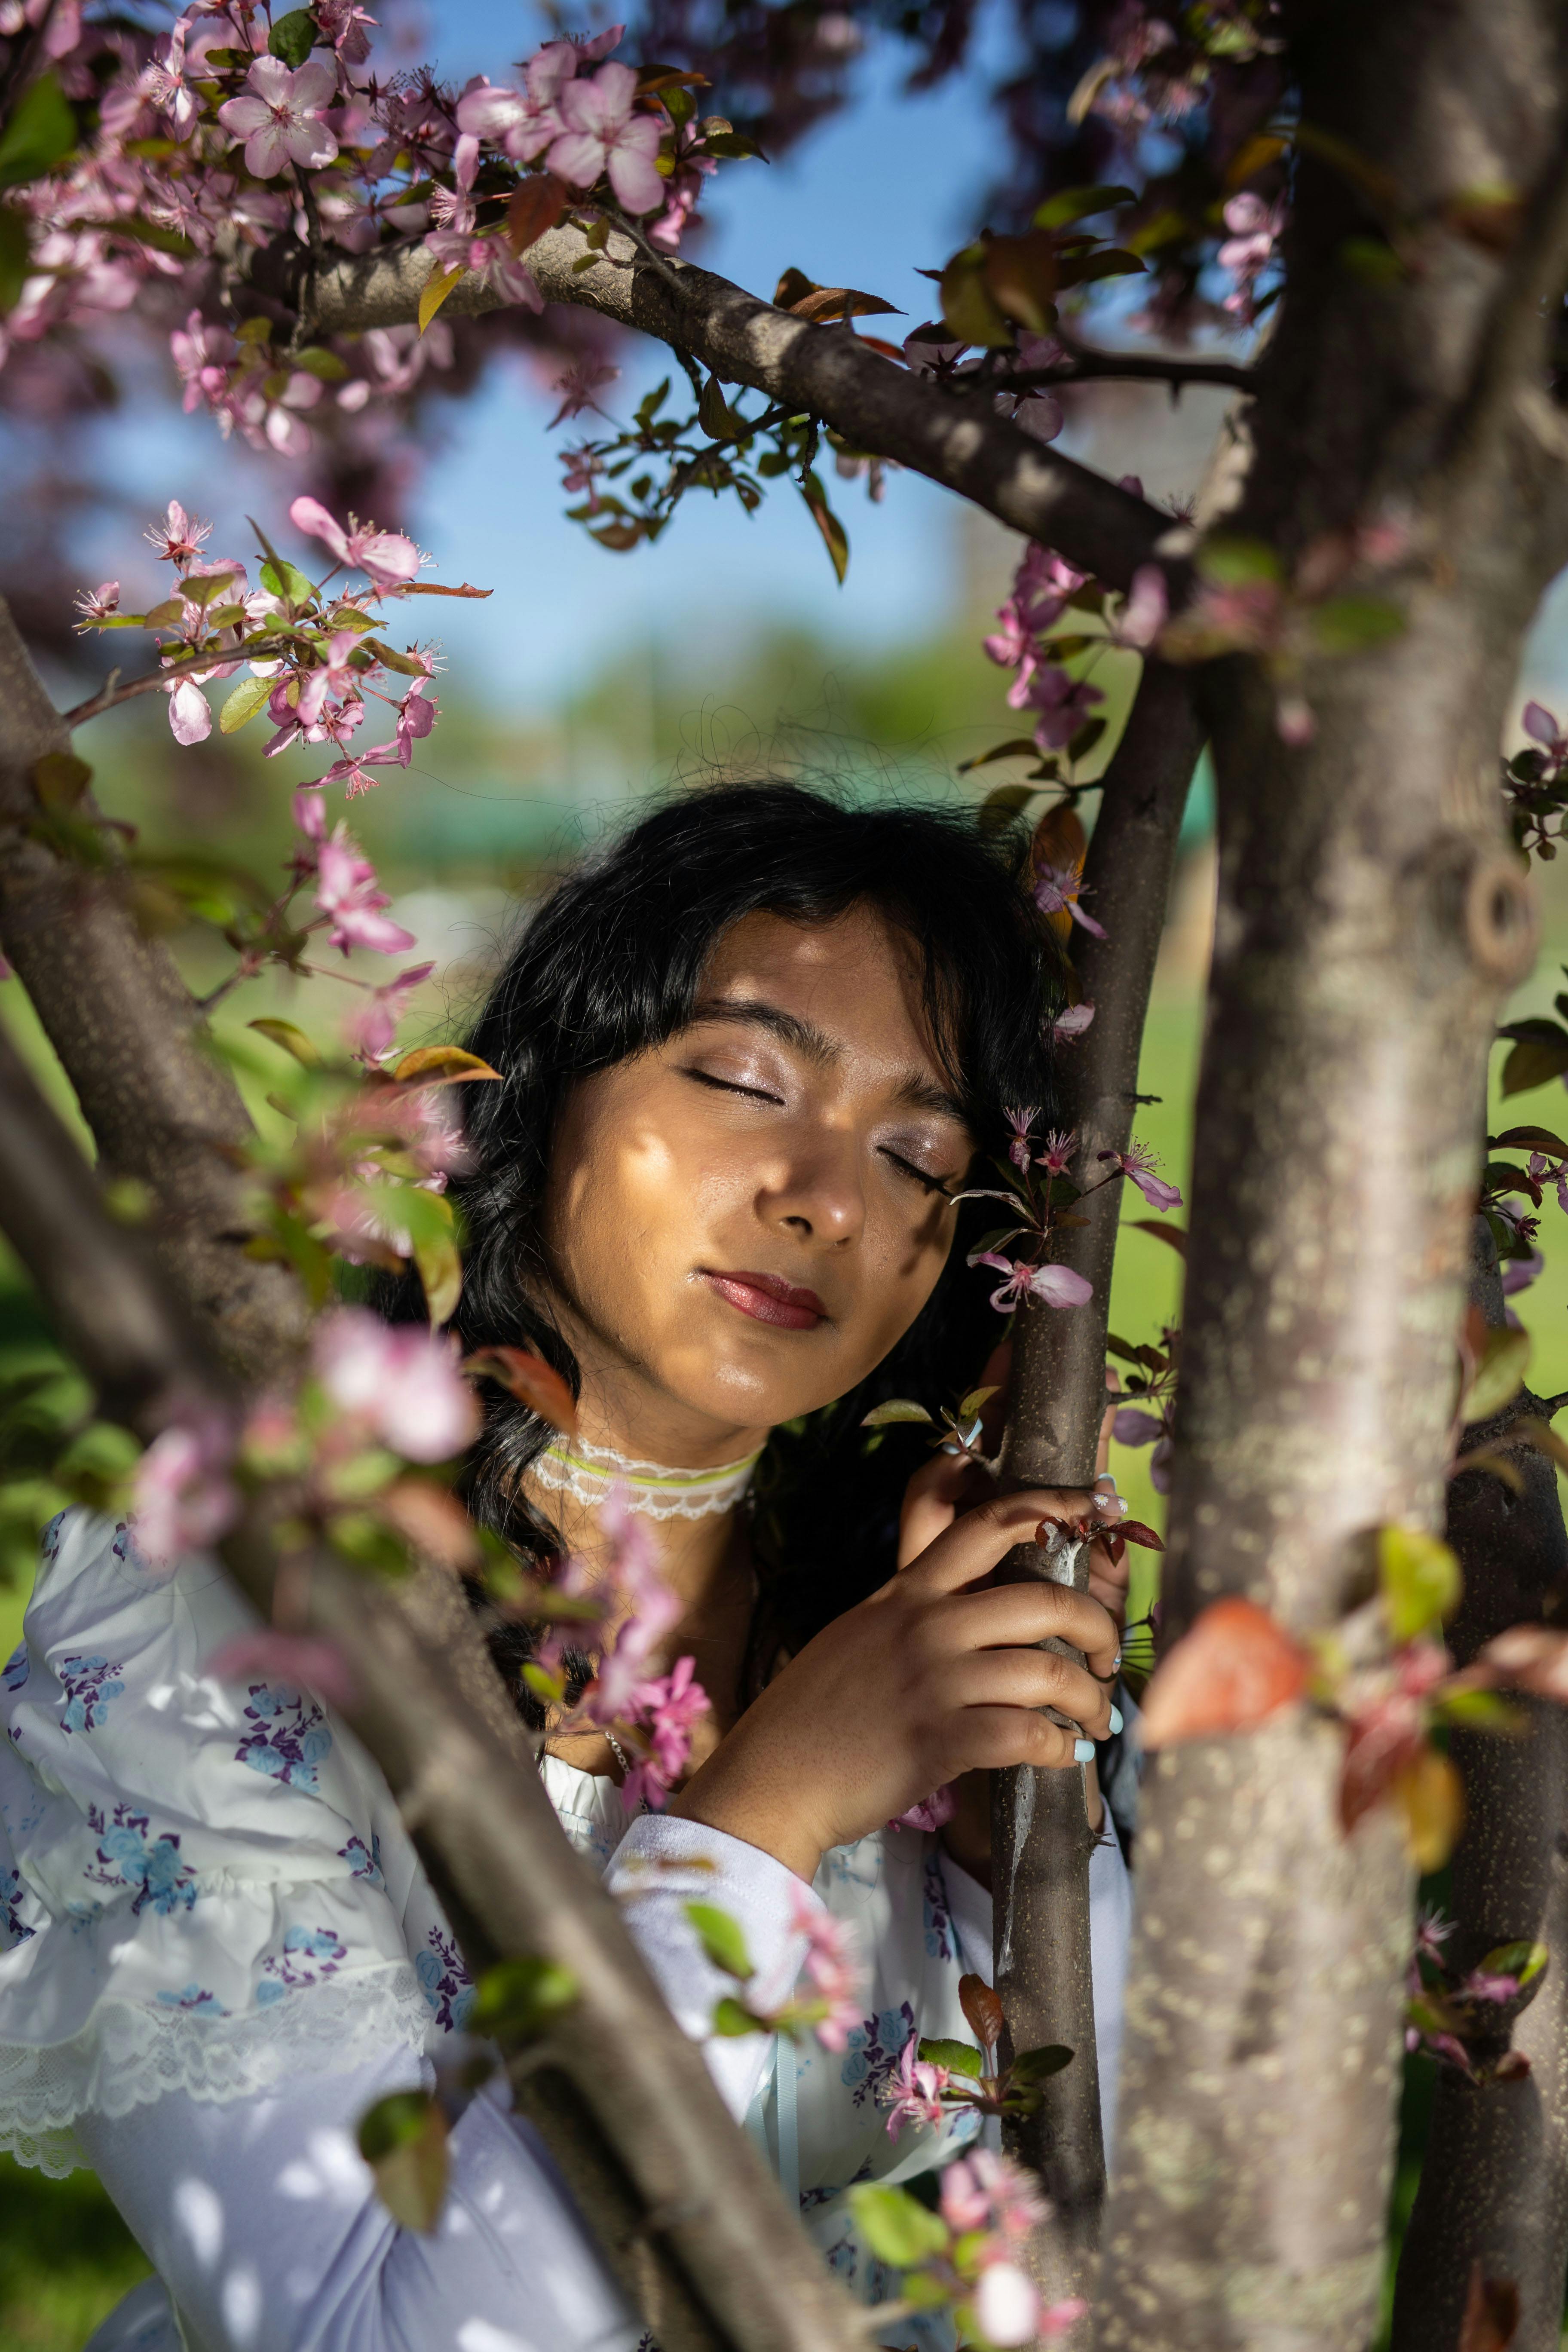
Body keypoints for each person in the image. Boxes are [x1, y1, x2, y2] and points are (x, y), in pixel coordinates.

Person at [0, 782, 1135, 2352]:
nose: (824, 1196)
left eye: (917, 1157)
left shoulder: (898, 1618)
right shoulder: (227, 1613)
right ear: (544, 1087)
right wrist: (768, 1816)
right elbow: (366, 2334)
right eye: (743, 1078)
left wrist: (1020, 1830)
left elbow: (1096, 2216)